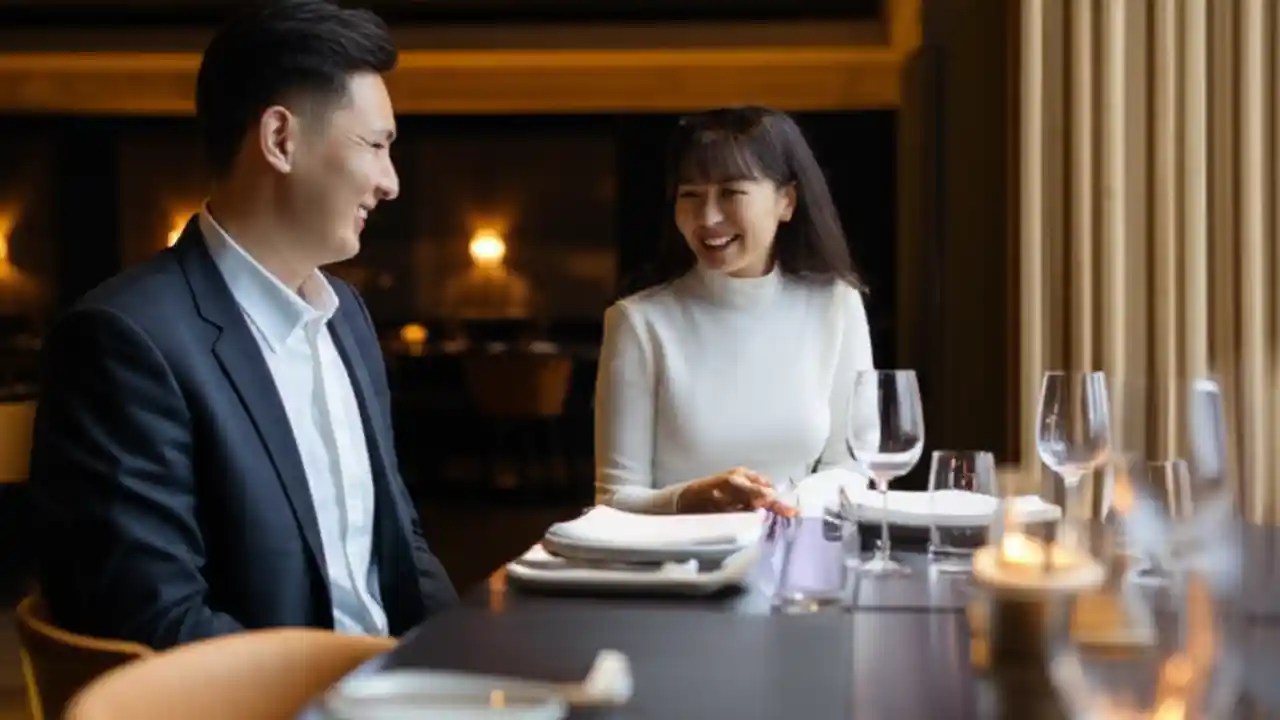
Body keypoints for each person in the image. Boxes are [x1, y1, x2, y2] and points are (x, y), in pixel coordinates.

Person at [28, 0, 456, 649]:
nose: (390, 183)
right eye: (375, 146)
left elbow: (398, 545)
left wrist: (469, 655)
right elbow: (153, 620)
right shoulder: (124, 340)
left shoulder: (348, 319)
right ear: (281, 139)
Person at [594, 106, 876, 515]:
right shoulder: (638, 323)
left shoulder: (836, 304)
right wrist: (691, 498)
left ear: (786, 202)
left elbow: (851, 466)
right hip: (675, 567)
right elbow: (614, 500)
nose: (707, 217)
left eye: (731, 193)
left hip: (798, 553)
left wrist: (777, 505)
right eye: (690, 195)